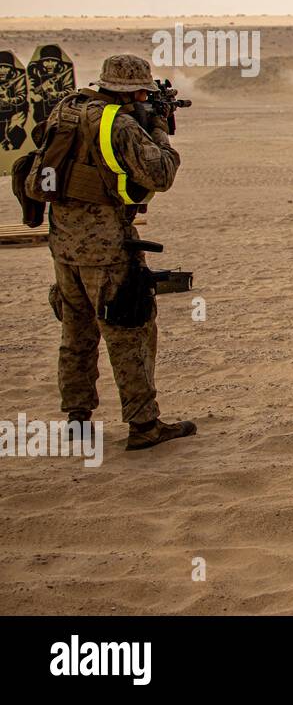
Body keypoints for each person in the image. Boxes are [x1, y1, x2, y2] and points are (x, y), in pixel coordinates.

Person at [35, 54, 195, 450]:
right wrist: (159, 129)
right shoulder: (119, 124)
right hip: (106, 246)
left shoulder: (67, 109)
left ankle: (77, 417)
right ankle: (144, 425)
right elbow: (161, 174)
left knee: (76, 333)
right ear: (134, 91)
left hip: (64, 241)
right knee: (129, 331)